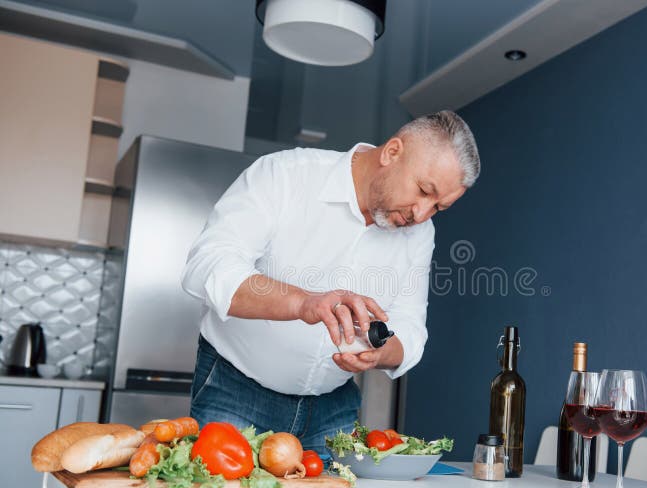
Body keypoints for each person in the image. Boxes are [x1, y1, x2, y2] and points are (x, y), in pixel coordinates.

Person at [181, 110, 480, 451]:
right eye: (424, 190)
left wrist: (378, 353)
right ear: (392, 152)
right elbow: (208, 266)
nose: (422, 214)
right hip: (234, 391)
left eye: (439, 207)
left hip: (333, 410)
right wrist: (303, 303)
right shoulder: (284, 175)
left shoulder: (420, 233)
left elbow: (410, 329)